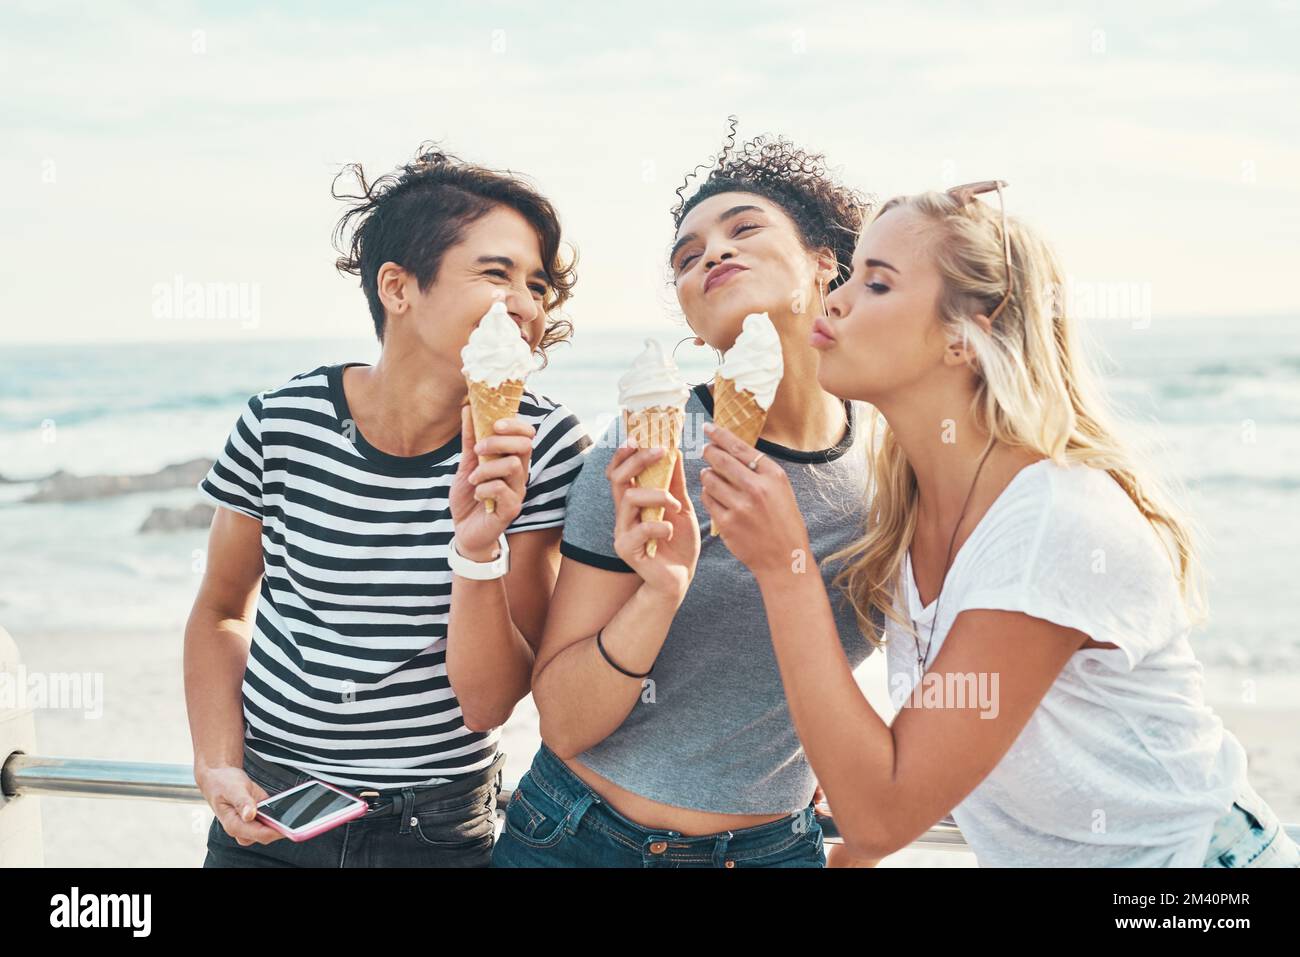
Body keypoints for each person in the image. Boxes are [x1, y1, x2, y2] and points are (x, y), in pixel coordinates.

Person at [697, 180, 1300, 867]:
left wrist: (786, 568)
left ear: (964, 336)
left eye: (879, 284)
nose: (836, 298)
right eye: (851, 274)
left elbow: (879, 817)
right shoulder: (912, 506)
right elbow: (974, 744)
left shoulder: (1050, 522)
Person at [186, 144, 591, 867]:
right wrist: (216, 762)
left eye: (537, 284)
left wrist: (478, 547)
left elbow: (489, 702)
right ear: (399, 289)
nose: (528, 304)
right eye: (497, 273)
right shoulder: (281, 423)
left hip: (433, 827)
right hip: (270, 808)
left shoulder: (546, 445)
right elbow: (220, 606)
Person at [491, 126, 880, 868]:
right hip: (579, 838)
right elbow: (565, 719)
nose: (713, 255)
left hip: (774, 848)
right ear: (692, 319)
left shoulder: (890, 463)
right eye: (688, 257)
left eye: (743, 229)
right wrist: (660, 591)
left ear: (828, 262)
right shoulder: (647, 453)